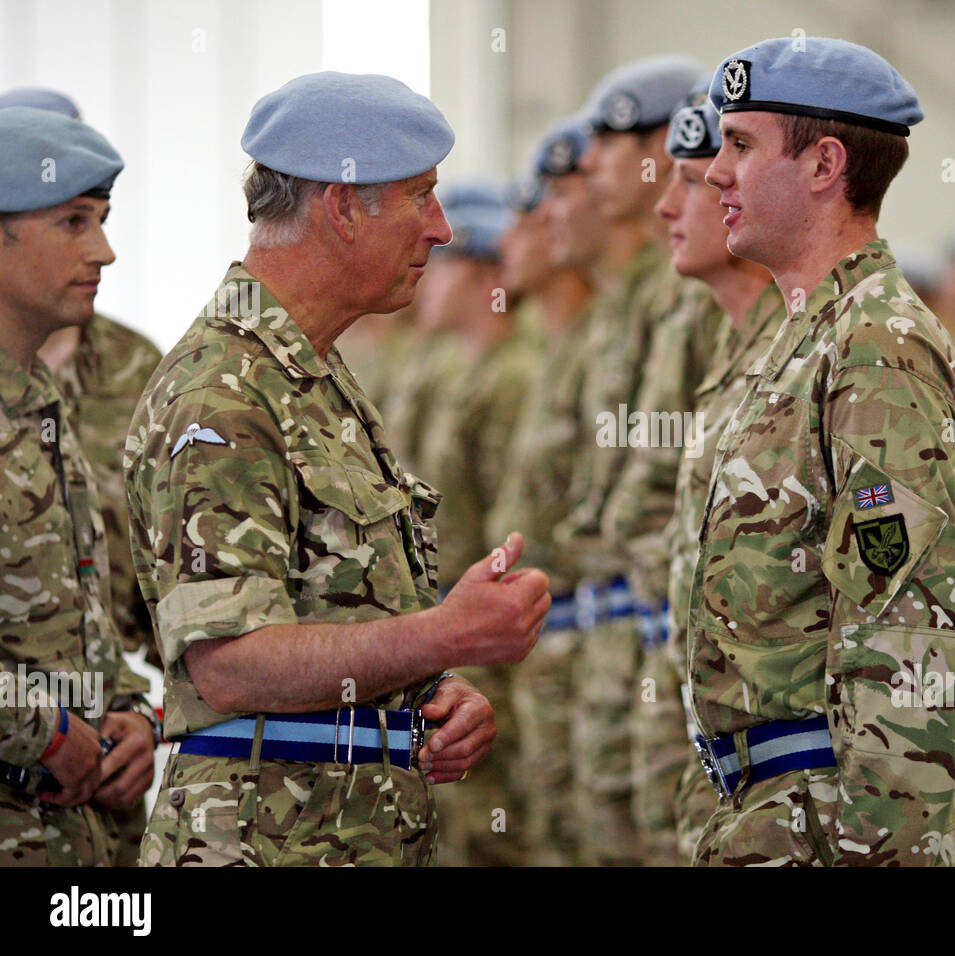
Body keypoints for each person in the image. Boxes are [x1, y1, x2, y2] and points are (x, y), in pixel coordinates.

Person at [123, 72, 549, 867]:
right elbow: (231, 663)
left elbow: (337, 613)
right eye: (421, 198)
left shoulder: (312, 376)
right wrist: (439, 634)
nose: (444, 230)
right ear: (344, 207)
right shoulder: (223, 392)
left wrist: (434, 696)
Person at [687, 38, 955, 866]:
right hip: (773, 810)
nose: (715, 172)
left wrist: (880, 845)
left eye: (741, 145)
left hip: (830, 823)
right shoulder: (809, 334)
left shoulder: (876, 340)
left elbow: (908, 621)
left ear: (824, 164)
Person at [0, 106, 159, 865]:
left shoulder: (39, 399)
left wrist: (129, 714)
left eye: (100, 220)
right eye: (72, 222)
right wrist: (51, 733)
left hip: (82, 843)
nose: (104, 250)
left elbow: (83, 618)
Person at [633, 79, 784, 863]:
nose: (669, 207)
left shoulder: (812, 349)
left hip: (788, 764)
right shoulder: (735, 351)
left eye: (690, 182)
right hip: (718, 742)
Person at [558, 53, 700, 866]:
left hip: (665, 631)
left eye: (609, 144)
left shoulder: (691, 289)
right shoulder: (639, 299)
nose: (590, 166)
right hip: (619, 624)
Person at [486, 119, 598, 866]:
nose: (514, 240)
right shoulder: (559, 354)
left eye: (538, 211)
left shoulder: (586, 350)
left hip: (585, 639)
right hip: (536, 643)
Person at [412, 182, 533, 866]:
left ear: (487, 275)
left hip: (491, 646)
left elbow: (508, 532)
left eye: (447, 263)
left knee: (501, 835)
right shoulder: (468, 372)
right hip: (456, 634)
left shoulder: (508, 378)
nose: (428, 278)